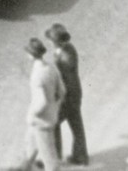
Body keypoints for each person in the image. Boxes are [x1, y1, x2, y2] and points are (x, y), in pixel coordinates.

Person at [47, 24, 87, 166]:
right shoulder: (65, 50)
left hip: (69, 97)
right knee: (76, 125)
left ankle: (57, 157)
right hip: (74, 94)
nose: (49, 42)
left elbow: (65, 80)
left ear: (56, 41)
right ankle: (80, 156)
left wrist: (59, 97)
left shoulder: (65, 57)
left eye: (51, 40)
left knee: (55, 122)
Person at [26, 35, 64, 171]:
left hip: (41, 122)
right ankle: (27, 167)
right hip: (51, 116)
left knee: (49, 158)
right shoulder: (51, 68)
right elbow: (62, 91)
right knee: (31, 146)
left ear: (31, 55)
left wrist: (31, 115)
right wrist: (55, 107)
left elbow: (41, 102)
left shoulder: (37, 75)